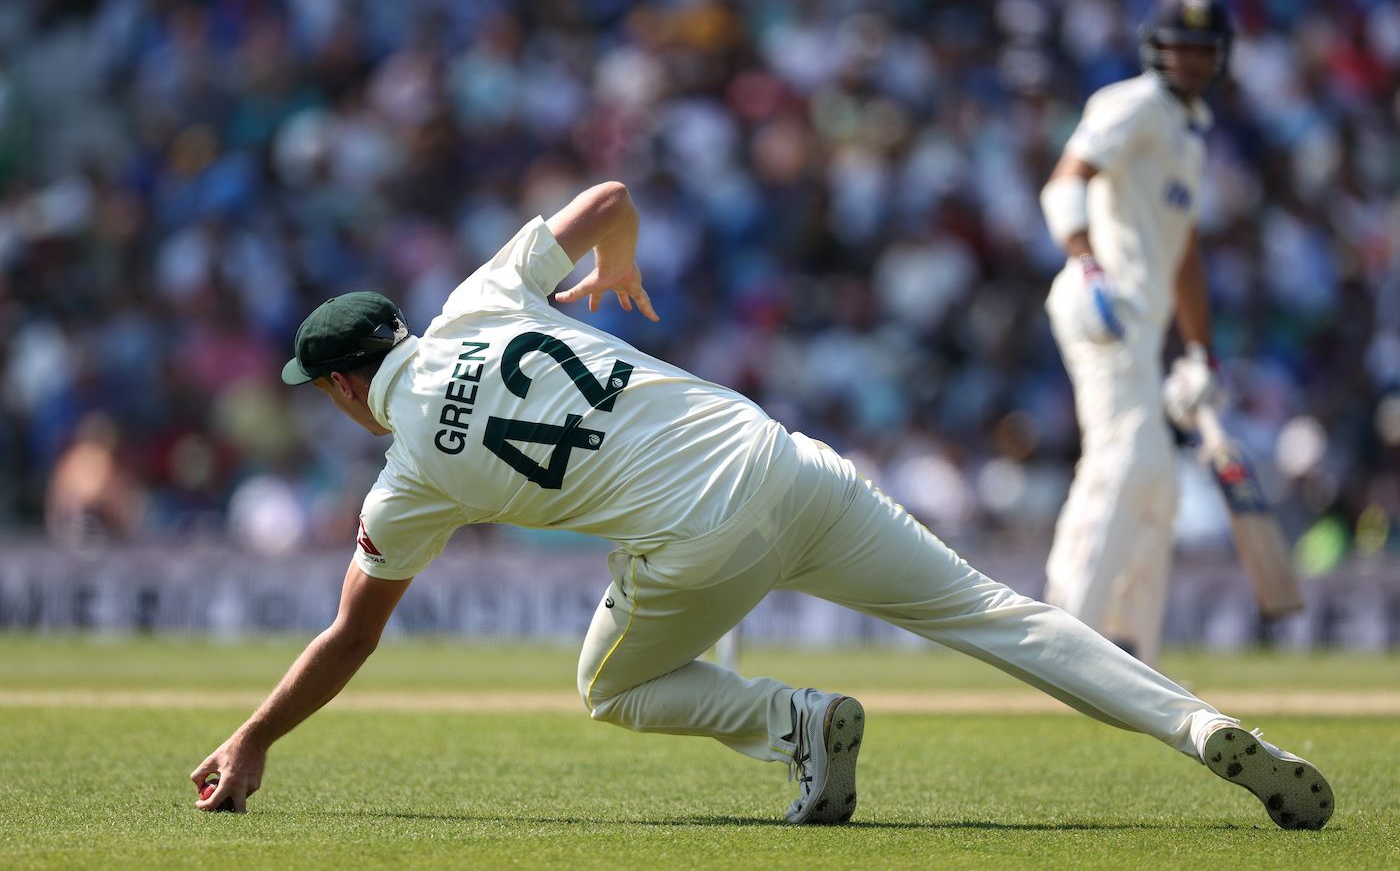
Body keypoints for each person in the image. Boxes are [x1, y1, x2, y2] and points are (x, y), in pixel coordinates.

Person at [190, 180, 1332, 830]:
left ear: (345, 384)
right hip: (787, 460)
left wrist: (252, 736)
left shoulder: (406, 479)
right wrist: (619, 262)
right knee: (998, 613)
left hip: (695, 541)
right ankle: (1196, 725)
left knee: (610, 682)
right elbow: (609, 196)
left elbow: (351, 633)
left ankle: (790, 721)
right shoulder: (476, 302)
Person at [1039, 0, 1231, 667]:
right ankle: (1063, 632)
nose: (1192, 60)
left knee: (1158, 475)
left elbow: (1185, 255)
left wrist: (1201, 352)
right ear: (1157, 49)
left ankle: (1127, 646)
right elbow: (1064, 181)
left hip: (1143, 327)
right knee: (1125, 455)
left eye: (1204, 49)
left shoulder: (1190, 133)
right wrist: (1087, 263)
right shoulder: (1132, 104)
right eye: (1181, 46)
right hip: (1102, 305)